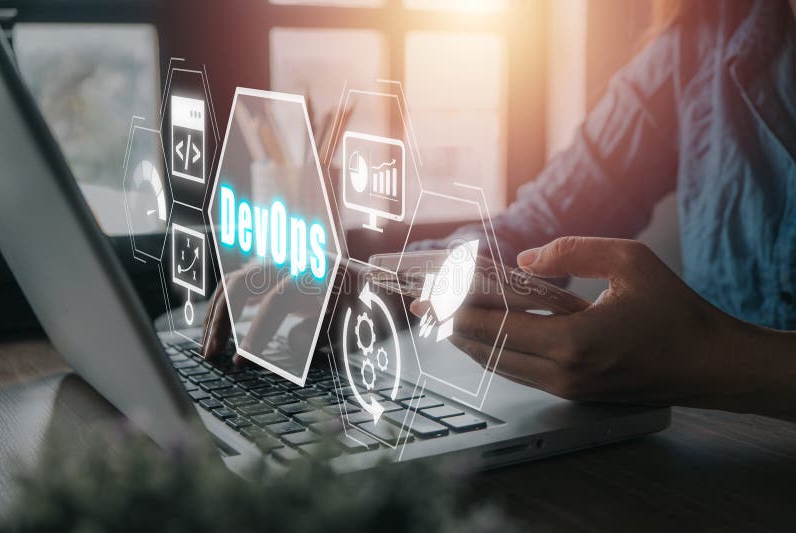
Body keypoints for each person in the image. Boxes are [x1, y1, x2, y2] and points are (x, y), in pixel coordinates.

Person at [206, 0, 796, 420]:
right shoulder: (705, 33)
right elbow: (539, 224)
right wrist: (376, 282)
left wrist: (707, 360)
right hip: (716, 465)